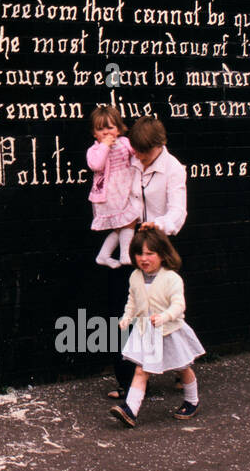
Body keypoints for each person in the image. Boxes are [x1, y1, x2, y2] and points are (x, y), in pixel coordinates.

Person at [104, 115, 187, 400]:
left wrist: (159, 225)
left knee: (164, 312)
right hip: (133, 246)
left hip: (160, 246)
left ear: (159, 145)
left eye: (143, 152)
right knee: (130, 309)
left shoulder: (173, 169)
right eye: (135, 150)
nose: (137, 156)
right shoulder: (133, 161)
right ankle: (129, 381)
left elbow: (179, 211)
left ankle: (182, 370)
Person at [108, 227, 205, 427]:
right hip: (148, 333)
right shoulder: (135, 276)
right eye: (139, 254)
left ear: (162, 254)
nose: (144, 258)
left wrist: (164, 316)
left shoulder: (171, 278)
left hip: (170, 331)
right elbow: (132, 300)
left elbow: (179, 305)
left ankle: (192, 400)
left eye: (150, 253)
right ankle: (130, 410)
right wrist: (127, 317)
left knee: (182, 368)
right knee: (141, 370)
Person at [86, 106, 141, 267]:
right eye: (100, 129)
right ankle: (125, 254)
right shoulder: (94, 150)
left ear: (119, 130)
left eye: (110, 127)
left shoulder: (124, 142)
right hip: (109, 195)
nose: (106, 132)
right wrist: (105, 146)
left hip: (125, 190)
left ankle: (103, 255)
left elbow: (137, 154)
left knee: (122, 226)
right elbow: (96, 165)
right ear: (94, 133)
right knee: (129, 220)